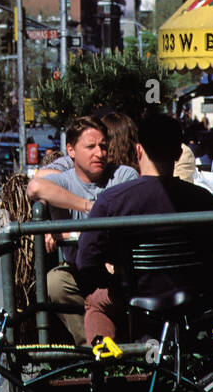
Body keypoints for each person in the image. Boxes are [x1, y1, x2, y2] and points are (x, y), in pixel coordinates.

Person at [76, 112, 213, 344]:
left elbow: (86, 261)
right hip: (193, 293)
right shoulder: (202, 199)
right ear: (178, 153)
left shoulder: (113, 200)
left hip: (135, 293)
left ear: (138, 150)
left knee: (95, 301)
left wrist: (114, 275)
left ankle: (110, 369)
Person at [26, 115, 138, 343]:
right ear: (71, 150)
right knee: (54, 283)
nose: (99, 153)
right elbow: (35, 187)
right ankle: (89, 348)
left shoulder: (123, 175)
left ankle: (120, 349)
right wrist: (89, 207)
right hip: (79, 271)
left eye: (103, 146)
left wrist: (69, 232)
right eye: (90, 147)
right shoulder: (64, 181)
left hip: (114, 269)